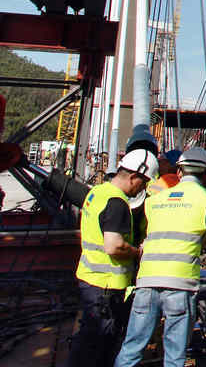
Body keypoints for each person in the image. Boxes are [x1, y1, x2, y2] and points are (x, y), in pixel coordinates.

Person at [114, 147, 206, 367]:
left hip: (146, 280)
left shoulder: (154, 200)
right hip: (180, 284)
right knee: (174, 356)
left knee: (132, 348)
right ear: (205, 174)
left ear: (179, 171)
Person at [69, 148, 158, 367]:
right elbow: (113, 246)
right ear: (133, 176)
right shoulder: (117, 203)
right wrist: (138, 252)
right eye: (143, 182)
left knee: (87, 340)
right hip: (105, 287)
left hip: (90, 280)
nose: (143, 188)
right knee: (99, 345)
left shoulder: (97, 192)